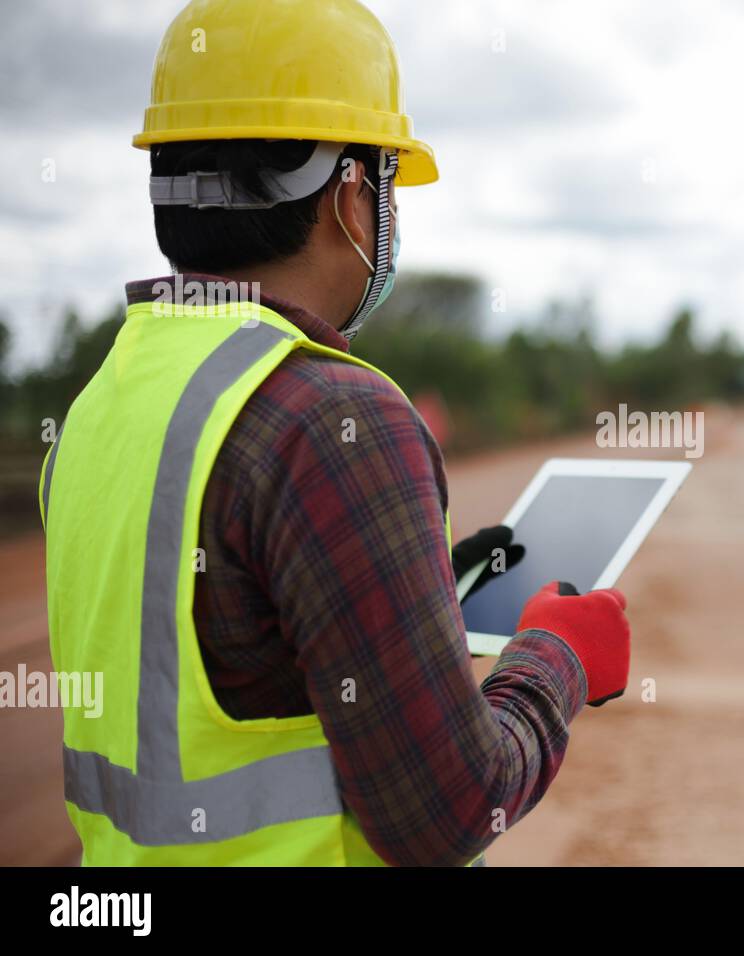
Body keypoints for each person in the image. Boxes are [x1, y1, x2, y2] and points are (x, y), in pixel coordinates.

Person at [38, 0, 630, 867]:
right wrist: (558, 655)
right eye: (387, 181)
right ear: (351, 195)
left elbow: (217, 652)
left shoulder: (101, 405)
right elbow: (453, 809)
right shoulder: (333, 416)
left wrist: (414, 600)